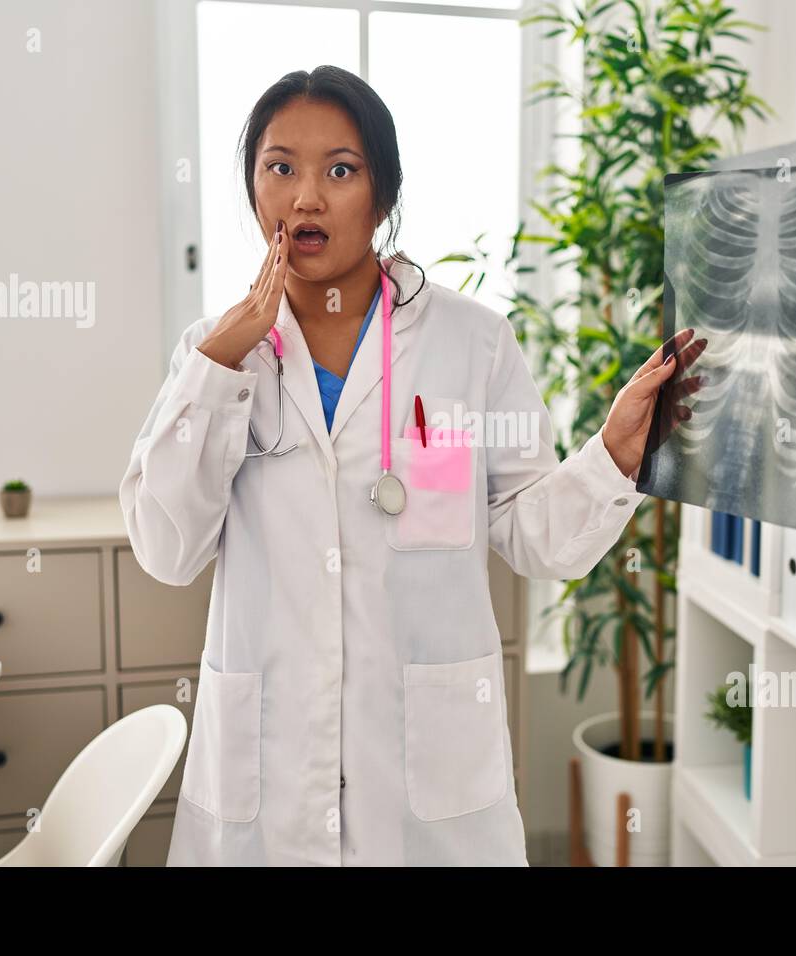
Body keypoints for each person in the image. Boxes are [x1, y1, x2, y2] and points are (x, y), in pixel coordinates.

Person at [119, 65, 703, 866]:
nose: (306, 198)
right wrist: (220, 362)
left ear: (384, 196)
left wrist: (613, 454)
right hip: (268, 778)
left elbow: (536, 538)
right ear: (251, 186)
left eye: (341, 170)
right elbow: (165, 548)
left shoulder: (471, 343)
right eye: (279, 166)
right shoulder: (214, 355)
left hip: (430, 792)